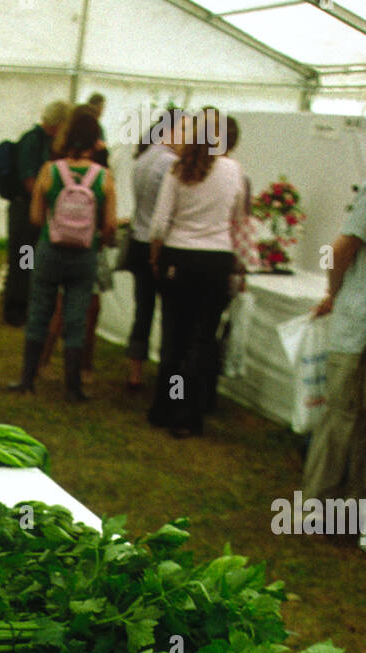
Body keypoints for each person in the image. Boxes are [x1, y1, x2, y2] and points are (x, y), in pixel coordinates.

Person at [146, 109, 247, 438]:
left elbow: (160, 223)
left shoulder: (180, 169)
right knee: (202, 341)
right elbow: (239, 219)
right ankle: (188, 414)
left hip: (180, 257)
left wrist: (156, 256)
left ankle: (165, 405)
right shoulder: (233, 171)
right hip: (216, 260)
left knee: (174, 337)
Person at [9, 105, 116, 402]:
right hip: (84, 256)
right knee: (76, 318)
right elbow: (108, 225)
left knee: (39, 311)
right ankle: (73, 387)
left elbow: (34, 218)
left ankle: (27, 379)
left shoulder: (50, 170)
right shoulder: (104, 177)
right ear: (96, 140)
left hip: (50, 250)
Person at [302, 184, 366, 530]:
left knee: (343, 419)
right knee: (341, 418)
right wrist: (336, 292)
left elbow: (340, 249)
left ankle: (352, 510)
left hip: (357, 320)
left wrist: (335, 292)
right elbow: (341, 249)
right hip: (358, 327)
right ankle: (319, 507)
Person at [3, 99, 70, 326]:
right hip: (24, 211)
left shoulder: (44, 141)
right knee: (24, 261)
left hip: (34, 210)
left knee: (30, 262)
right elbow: (30, 179)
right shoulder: (32, 141)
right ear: (58, 123)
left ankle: (26, 305)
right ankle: (16, 309)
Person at [123, 118, 179, 389]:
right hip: (158, 244)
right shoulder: (169, 162)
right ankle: (168, 376)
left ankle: (135, 371)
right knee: (169, 313)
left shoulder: (144, 156)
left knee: (142, 309)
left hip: (137, 239)